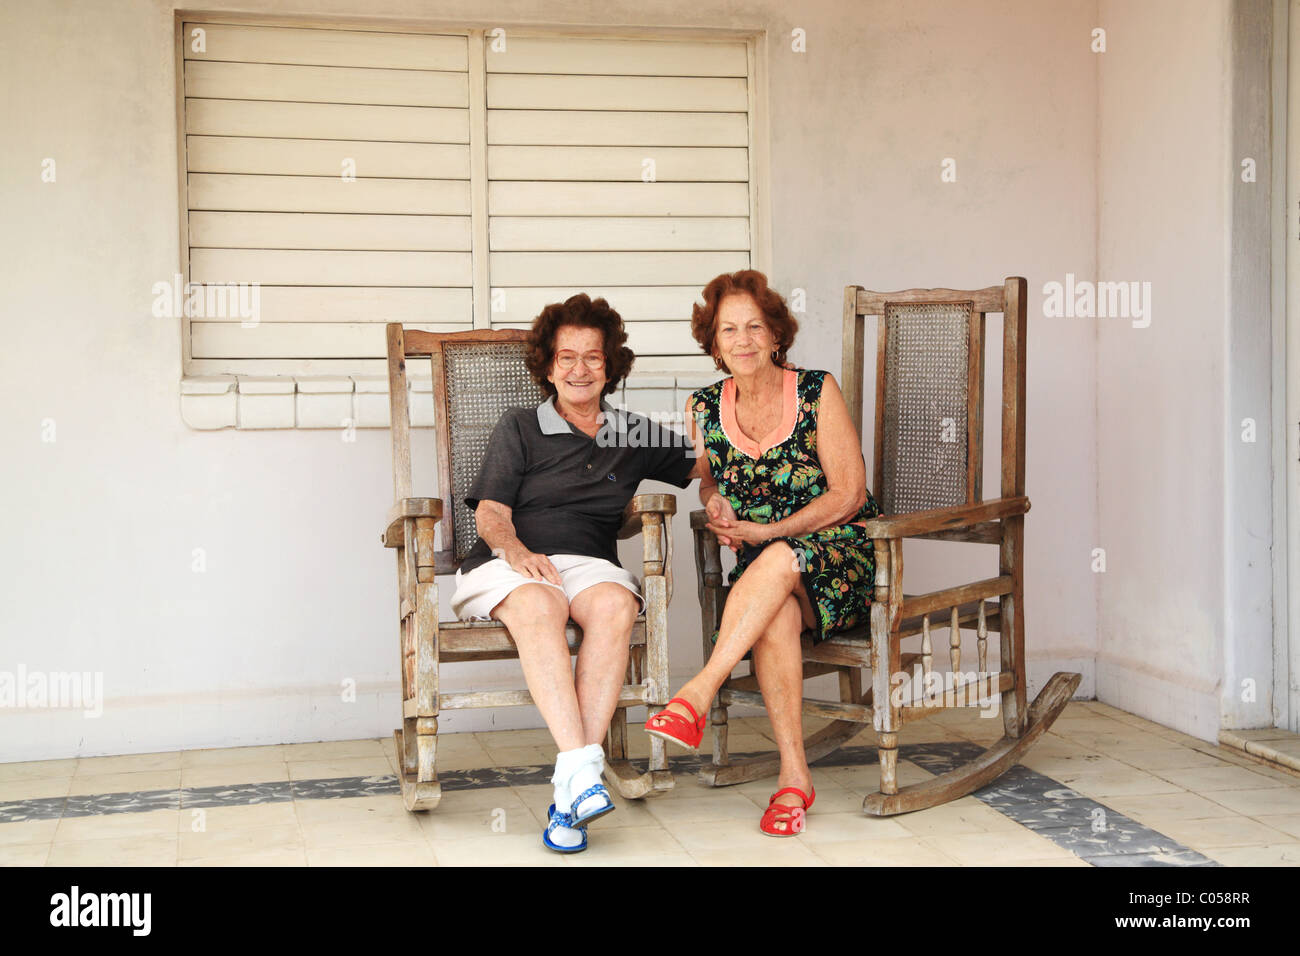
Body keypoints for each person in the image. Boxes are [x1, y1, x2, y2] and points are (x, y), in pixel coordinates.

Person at [450, 293, 704, 852]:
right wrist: (516, 552)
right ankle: (583, 773)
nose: (580, 369)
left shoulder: (631, 433)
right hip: (509, 565)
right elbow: (491, 513)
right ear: (547, 366)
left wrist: (720, 412)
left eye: (593, 357)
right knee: (541, 602)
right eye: (567, 357)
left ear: (610, 366)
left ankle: (572, 789)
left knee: (616, 604)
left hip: (589, 565)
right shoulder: (519, 425)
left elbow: (705, 463)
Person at [643, 270, 880, 836]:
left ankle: (699, 691)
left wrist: (765, 535)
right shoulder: (703, 405)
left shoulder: (817, 390)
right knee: (774, 610)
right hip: (766, 572)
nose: (743, 339)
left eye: (755, 326)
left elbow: (848, 494)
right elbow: (705, 482)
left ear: (776, 334)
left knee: (777, 560)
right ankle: (794, 779)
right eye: (729, 330)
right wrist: (718, 503)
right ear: (715, 342)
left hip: (840, 556)